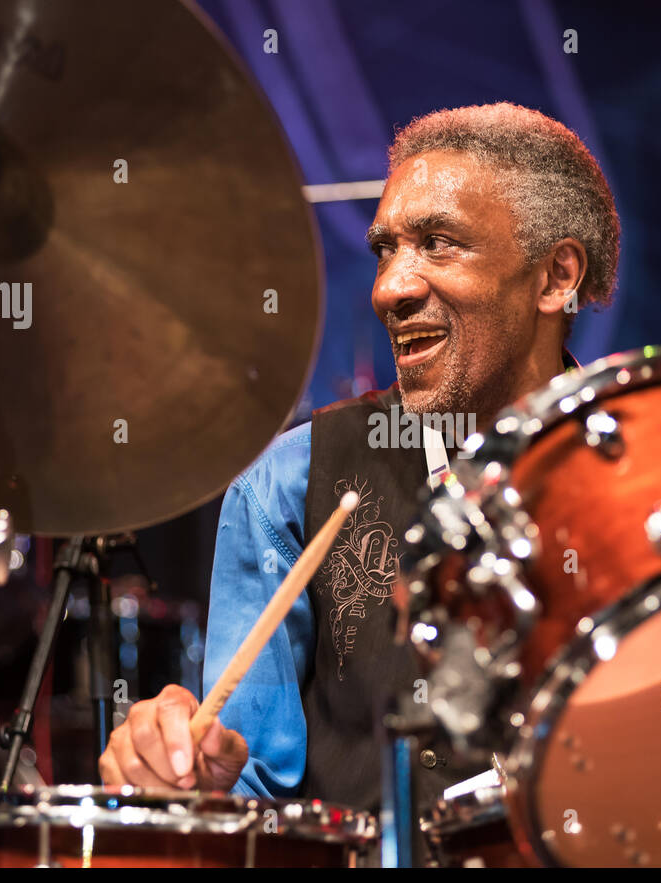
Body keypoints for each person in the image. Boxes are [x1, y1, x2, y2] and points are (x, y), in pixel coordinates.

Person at [98, 102, 620, 813]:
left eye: (439, 243)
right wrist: (184, 772)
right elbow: (243, 780)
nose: (390, 289)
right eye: (385, 249)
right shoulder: (288, 481)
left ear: (556, 277)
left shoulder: (655, 472)